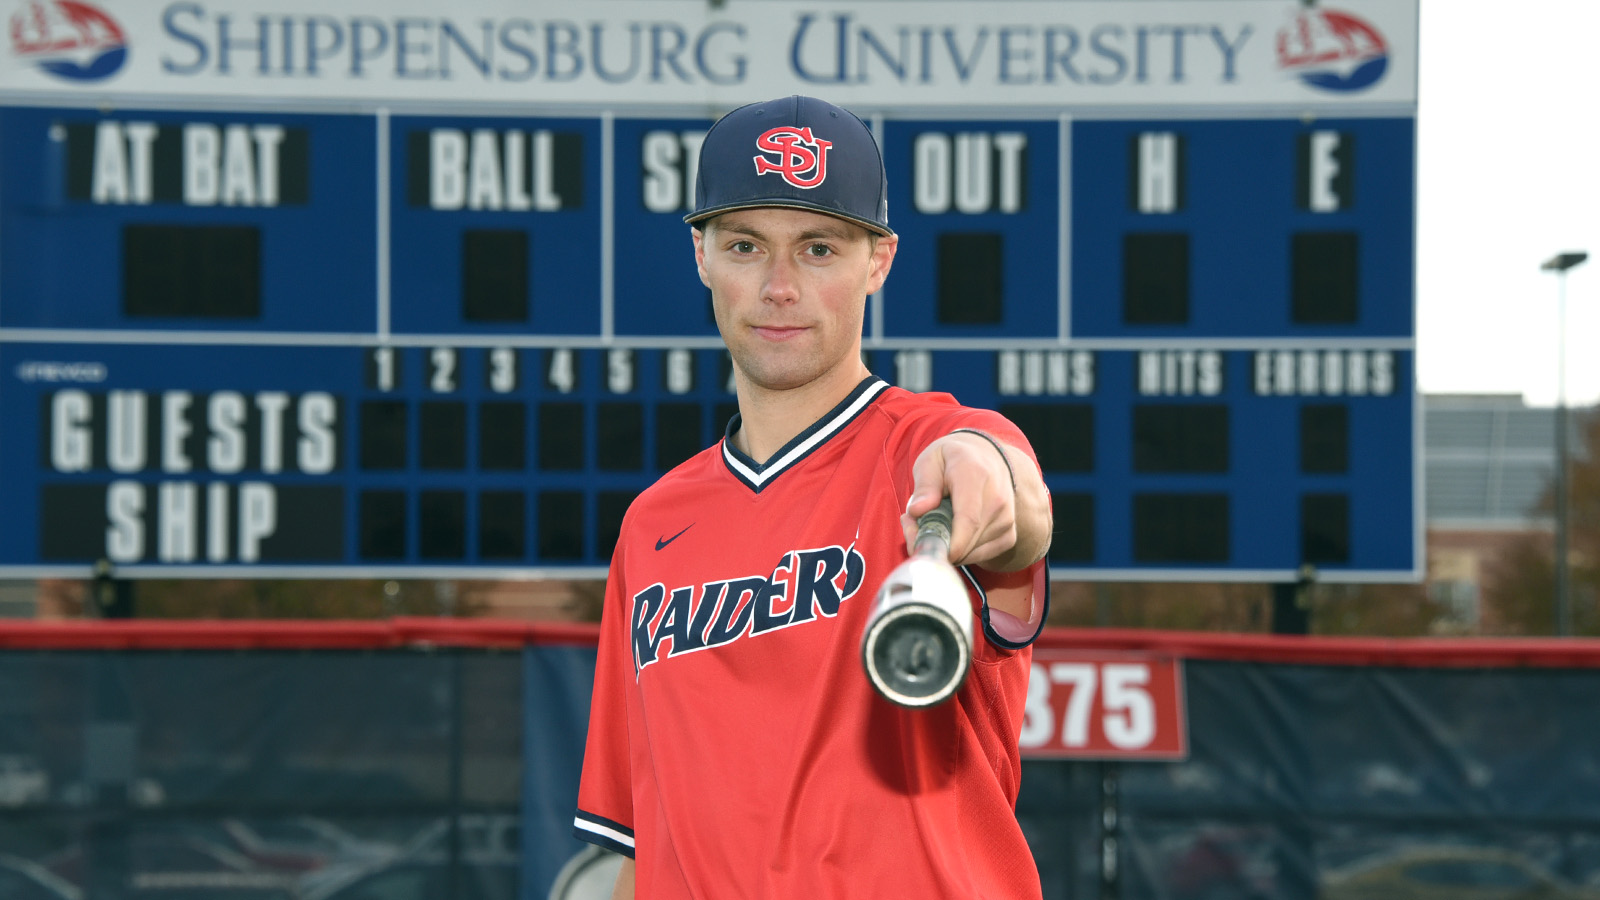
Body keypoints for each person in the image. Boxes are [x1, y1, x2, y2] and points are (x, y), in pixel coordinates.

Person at [573, 94, 1053, 899]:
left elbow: (1015, 500)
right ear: (701, 255)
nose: (779, 285)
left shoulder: (925, 451)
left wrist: (987, 480)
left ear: (879, 261)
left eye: (819, 248)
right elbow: (637, 844)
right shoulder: (652, 524)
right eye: (746, 245)